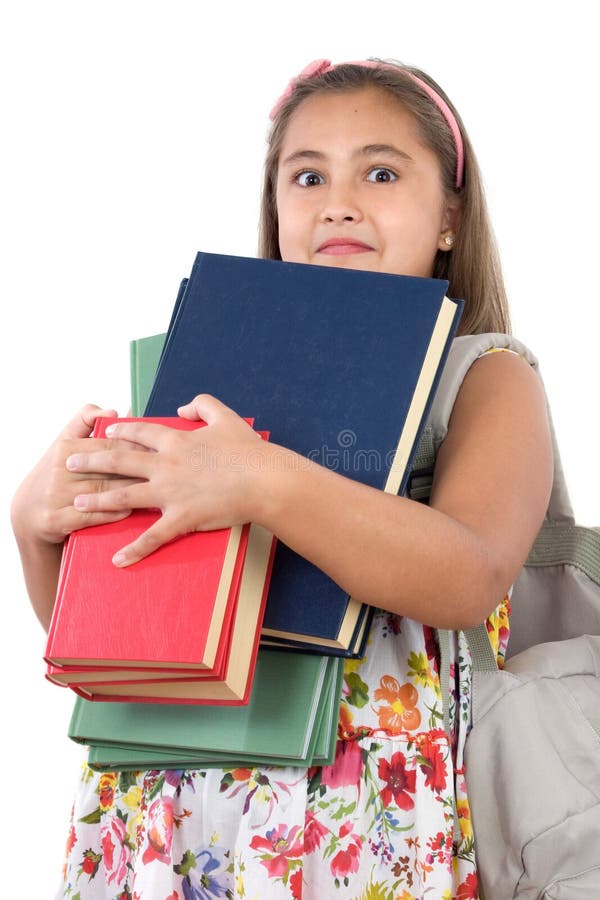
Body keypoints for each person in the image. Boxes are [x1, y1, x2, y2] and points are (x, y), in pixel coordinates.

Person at [11, 58, 553, 899]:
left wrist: (261, 481)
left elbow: (468, 576)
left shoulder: (483, 377)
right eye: (307, 176)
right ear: (276, 210)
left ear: (450, 212)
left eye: (380, 171)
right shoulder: (205, 377)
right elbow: (120, 651)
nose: (338, 200)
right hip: (165, 813)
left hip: (358, 819)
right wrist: (36, 529)